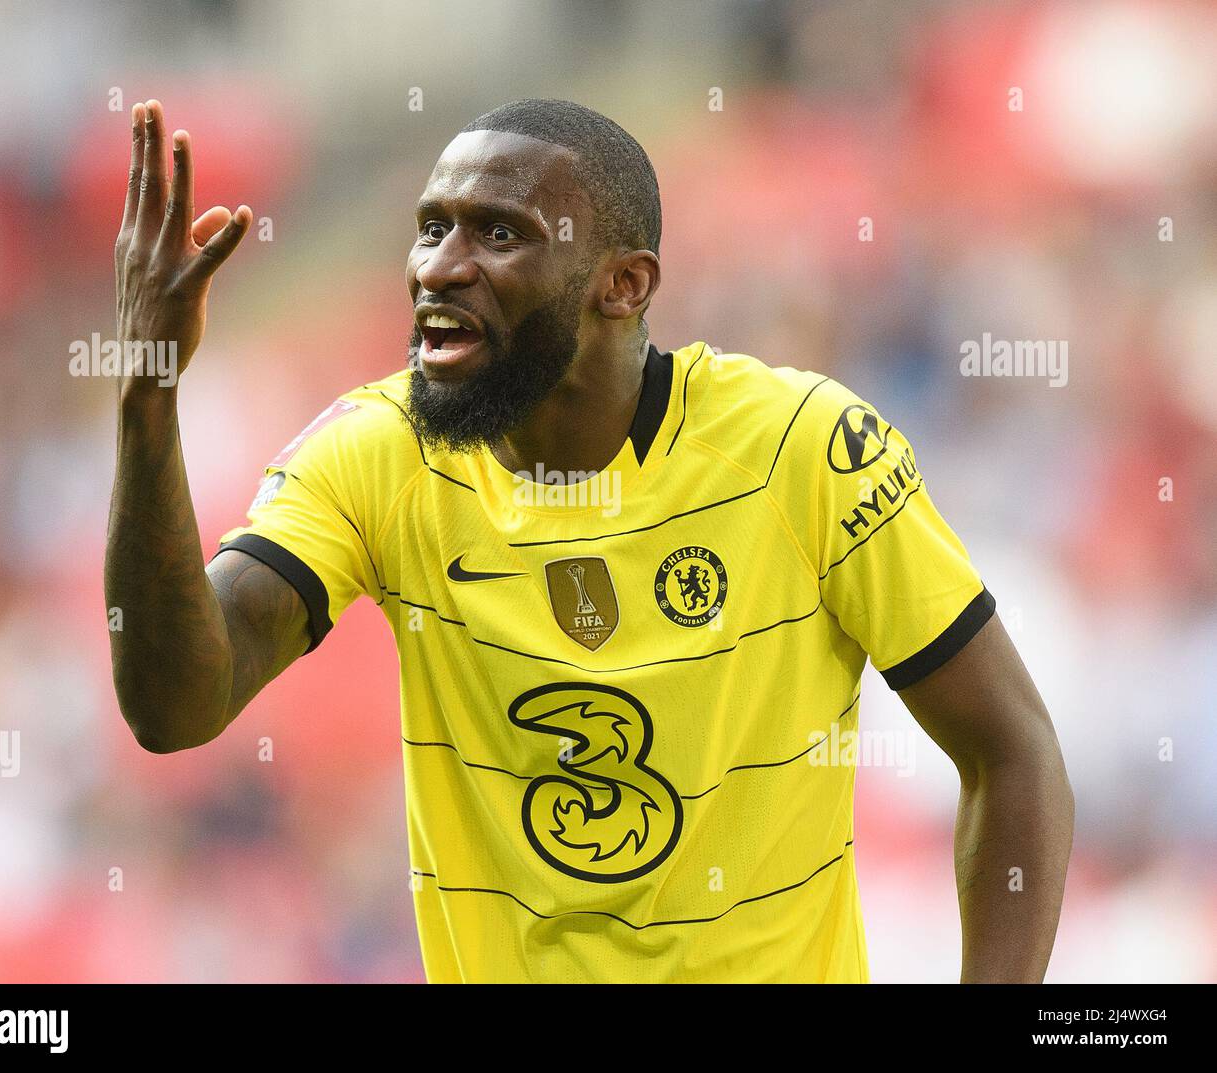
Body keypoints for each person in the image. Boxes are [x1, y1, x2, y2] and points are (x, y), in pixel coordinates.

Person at [106, 97, 1074, 983]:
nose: (440, 265)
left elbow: (1010, 751)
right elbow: (176, 706)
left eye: (499, 233)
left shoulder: (801, 448)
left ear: (621, 283)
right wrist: (147, 397)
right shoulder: (378, 453)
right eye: (432, 227)